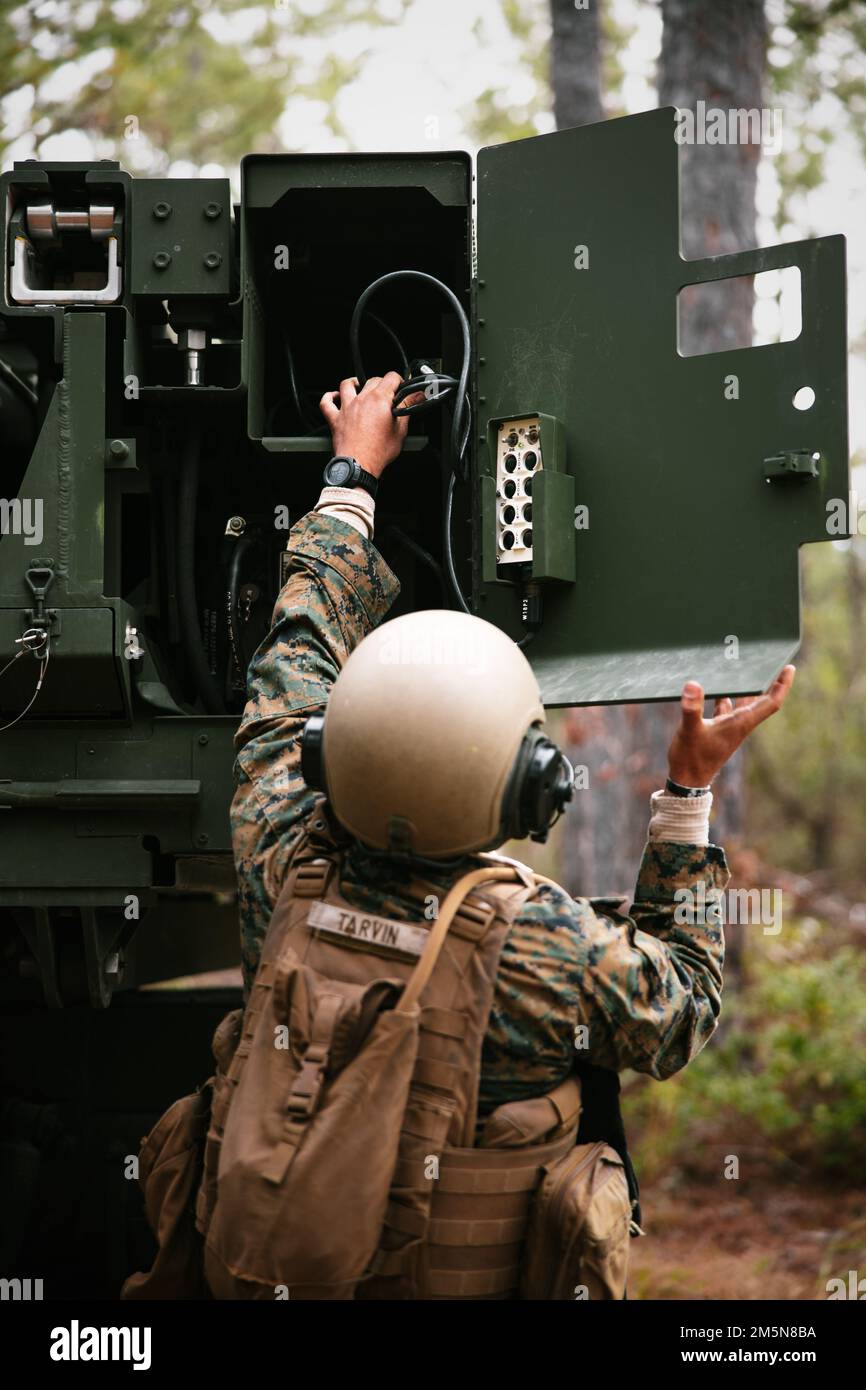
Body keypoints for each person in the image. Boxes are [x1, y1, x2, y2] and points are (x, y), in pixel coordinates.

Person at [226, 368, 795, 1297]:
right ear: (527, 787)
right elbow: (682, 1006)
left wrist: (351, 479)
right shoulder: (541, 949)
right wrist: (687, 791)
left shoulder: (278, 845)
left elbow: (296, 650)